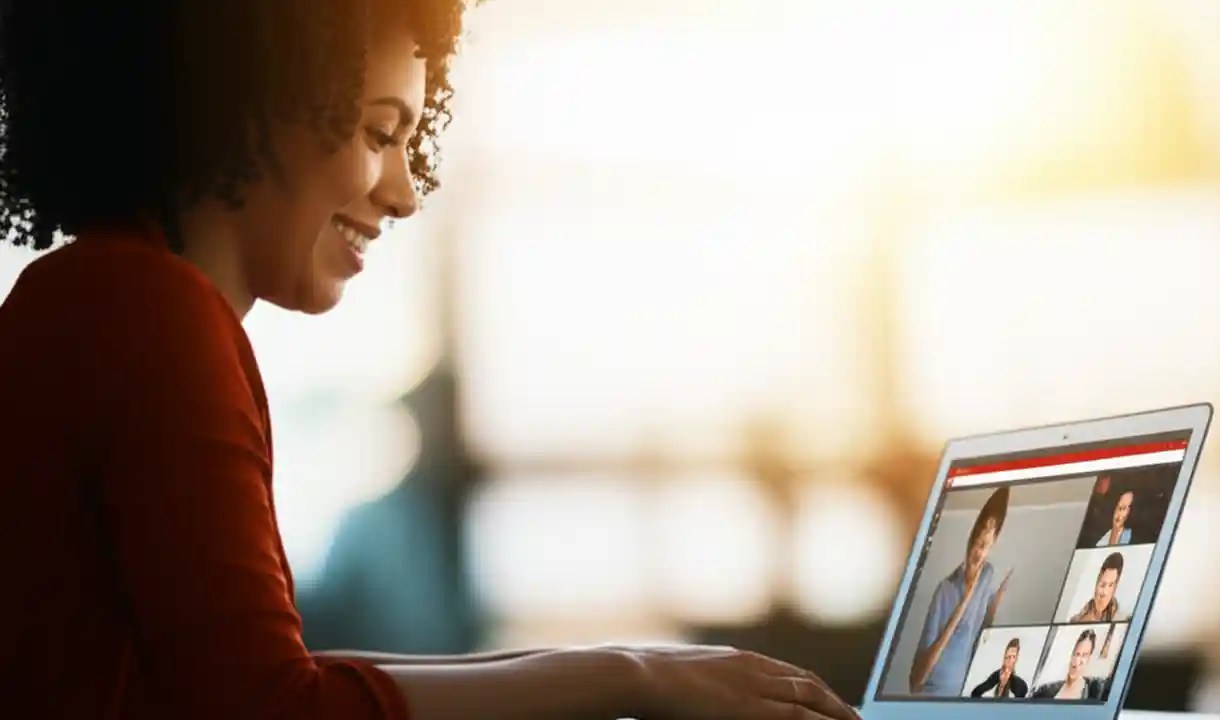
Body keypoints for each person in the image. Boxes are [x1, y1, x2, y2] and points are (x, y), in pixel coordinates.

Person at [0, 3, 859, 720]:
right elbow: (266, 706)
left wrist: (630, 666)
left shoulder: (85, 294)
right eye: (381, 132)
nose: (405, 191)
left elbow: (234, 676)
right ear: (248, 105)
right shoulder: (155, 315)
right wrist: (630, 679)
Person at [909, 487, 1015, 696]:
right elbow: (915, 682)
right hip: (932, 697)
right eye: (977, 542)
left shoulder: (987, 575)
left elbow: (977, 635)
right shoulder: (945, 590)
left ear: (993, 545)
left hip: (962, 696)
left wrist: (994, 607)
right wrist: (963, 603)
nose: (979, 551)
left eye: (985, 545)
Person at [1031, 630, 1106, 700]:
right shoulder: (1047, 690)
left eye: (1084, 655)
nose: (1077, 660)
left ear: (1089, 658)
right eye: (1076, 654)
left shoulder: (1093, 692)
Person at [1070, 552, 1126, 623]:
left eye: (1111, 585)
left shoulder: (1120, 620)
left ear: (1115, 588)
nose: (1105, 592)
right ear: (1096, 583)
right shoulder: (1076, 620)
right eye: (1102, 585)